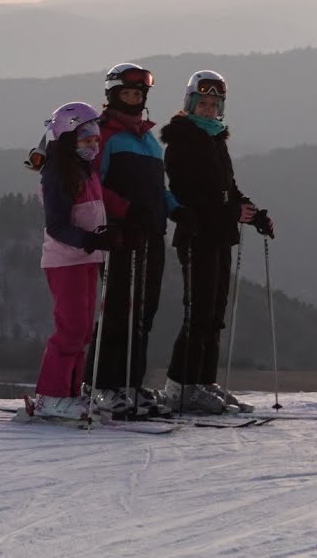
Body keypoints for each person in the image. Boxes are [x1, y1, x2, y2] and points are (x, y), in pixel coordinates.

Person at [159, 70, 275, 414]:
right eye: (203, 103)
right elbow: (186, 196)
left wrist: (253, 215)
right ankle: (182, 386)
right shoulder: (181, 142)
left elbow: (229, 190)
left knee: (214, 314)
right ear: (190, 104)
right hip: (196, 236)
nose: (209, 109)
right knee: (198, 313)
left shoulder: (214, 140)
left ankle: (203, 381)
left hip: (219, 236)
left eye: (214, 104)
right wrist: (231, 213)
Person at [86, 62, 195, 418]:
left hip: (151, 235)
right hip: (119, 237)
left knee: (144, 312)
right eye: (126, 93)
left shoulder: (148, 139)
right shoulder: (105, 136)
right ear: (112, 96)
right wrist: (123, 210)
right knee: (118, 310)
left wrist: (175, 209)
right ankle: (102, 387)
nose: (133, 99)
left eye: (138, 94)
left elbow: (156, 189)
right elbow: (93, 184)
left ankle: (131, 384)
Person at [29, 101, 122, 420]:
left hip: (86, 258)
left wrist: (121, 223)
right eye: (85, 140)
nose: (93, 147)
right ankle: (51, 395)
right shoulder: (57, 174)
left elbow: (98, 207)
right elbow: (56, 226)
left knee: (83, 331)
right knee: (69, 329)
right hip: (65, 261)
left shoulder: (84, 170)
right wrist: (93, 240)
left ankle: (71, 391)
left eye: (96, 140)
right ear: (67, 139)